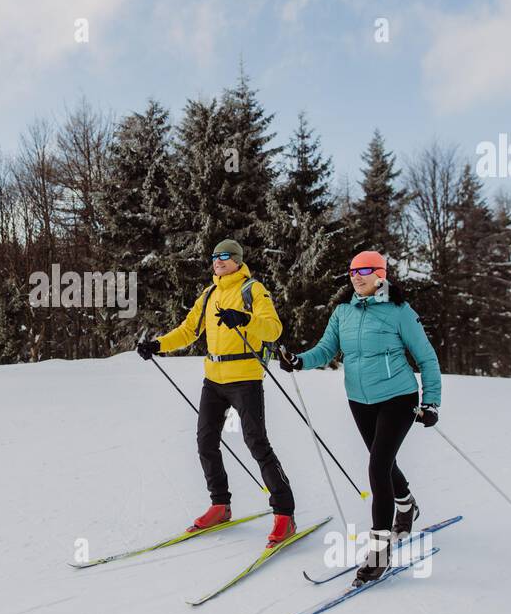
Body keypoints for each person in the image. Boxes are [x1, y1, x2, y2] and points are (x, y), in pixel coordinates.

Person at [277, 250, 441, 585]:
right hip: (359, 400)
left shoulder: (400, 311)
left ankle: (379, 551)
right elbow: (325, 349)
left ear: (381, 274)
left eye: (365, 270)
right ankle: (407, 504)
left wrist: (432, 402)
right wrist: (298, 360)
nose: (357, 276)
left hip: (399, 398)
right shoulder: (343, 312)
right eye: (352, 271)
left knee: (378, 466)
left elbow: (427, 358)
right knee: (383, 459)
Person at [136, 239, 298, 548]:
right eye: (214, 257)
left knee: (256, 443)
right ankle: (220, 505)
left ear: (237, 260)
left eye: (224, 256)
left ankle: (284, 513)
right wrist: (157, 345)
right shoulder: (209, 294)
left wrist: (246, 319)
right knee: (205, 442)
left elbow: (274, 329)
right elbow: (188, 330)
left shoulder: (253, 290)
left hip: (245, 378)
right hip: (213, 379)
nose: (218, 261)